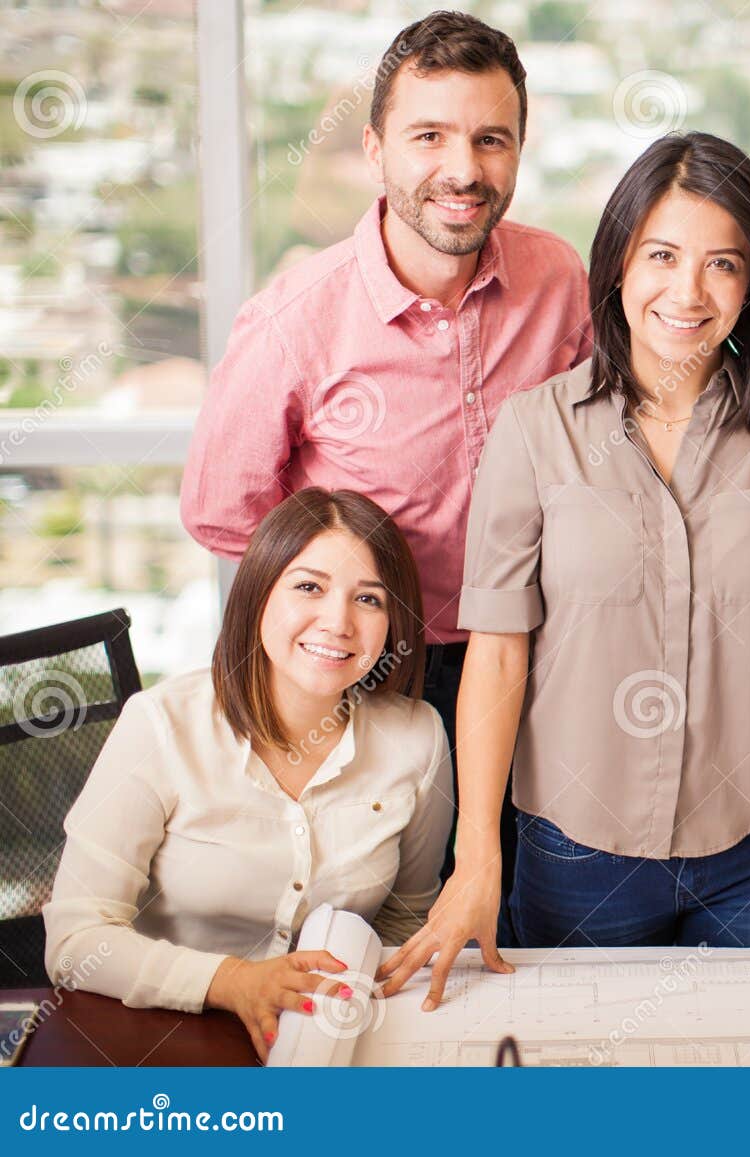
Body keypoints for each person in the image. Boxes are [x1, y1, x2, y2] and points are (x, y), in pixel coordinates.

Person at [374, 131, 750, 1011]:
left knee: (742, 1075)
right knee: (581, 1075)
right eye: (662, 256)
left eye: (723, 264)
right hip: (575, 855)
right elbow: (498, 654)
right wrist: (478, 856)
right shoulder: (535, 431)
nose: (689, 292)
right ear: (618, 265)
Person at [179, 10, 590, 888]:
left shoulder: (559, 281)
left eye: (490, 139)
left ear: (518, 151)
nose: (462, 169)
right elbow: (221, 511)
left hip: (535, 658)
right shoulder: (296, 319)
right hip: (370, 670)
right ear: (375, 150)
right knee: (369, 911)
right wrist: (340, 604)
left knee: (524, 902)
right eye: (428, 136)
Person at [44, 489, 452, 1061]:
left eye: (368, 599)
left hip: (325, 1037)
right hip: (167, 1034)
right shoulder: (161, 724)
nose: (338, 622)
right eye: (309, 587)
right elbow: (75, 940)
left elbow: (406, 916)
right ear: (259, 592)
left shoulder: (417, 737)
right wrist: (233, 981)